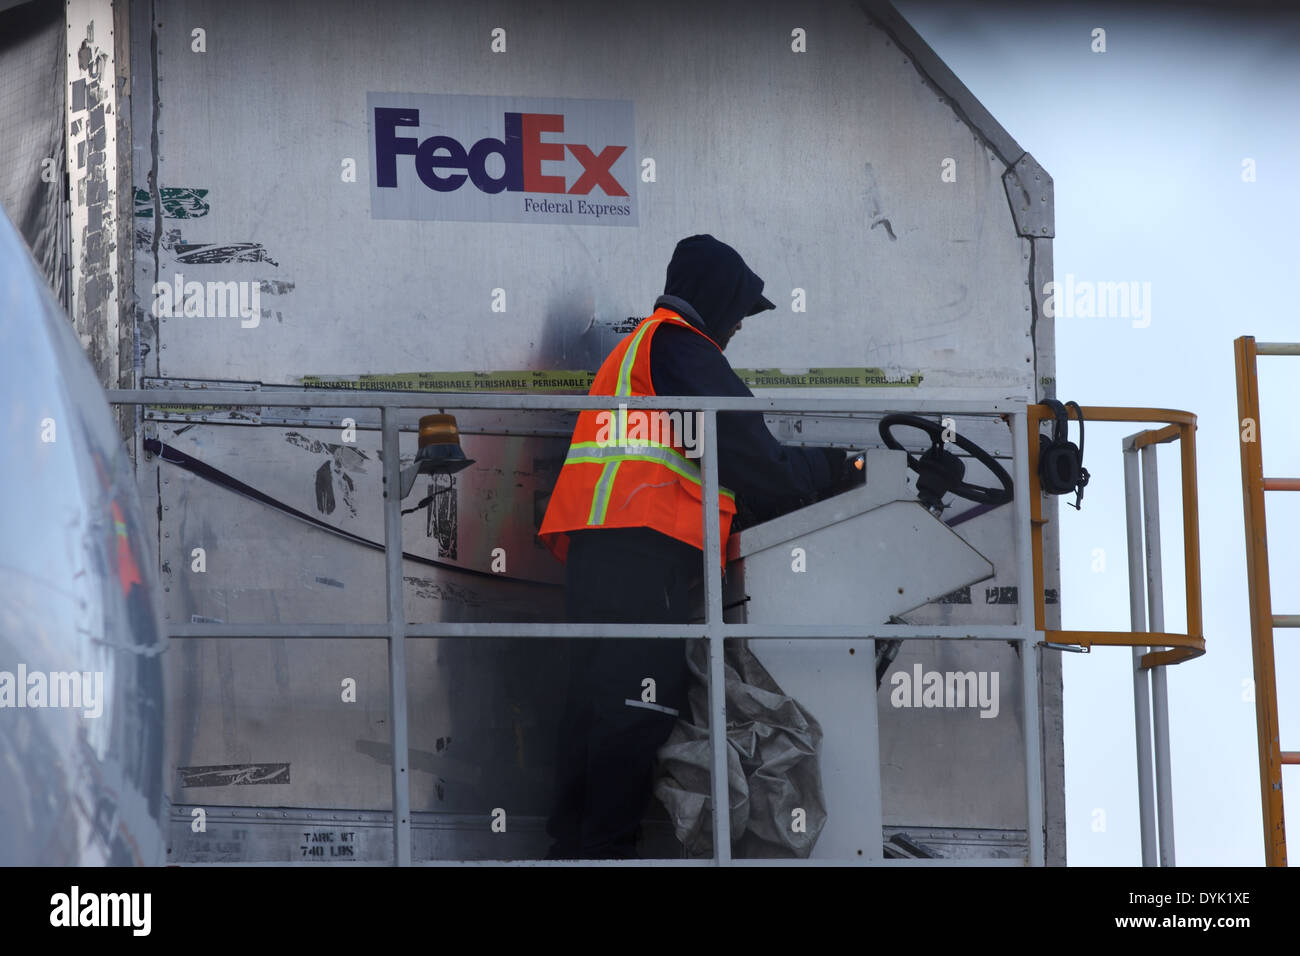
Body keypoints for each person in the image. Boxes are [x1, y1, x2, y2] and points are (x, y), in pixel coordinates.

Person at [537, 234, 847, 858]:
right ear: (716, 301)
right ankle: (604, 852)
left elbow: (714, 458)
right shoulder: (681, 348)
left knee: (597, 705)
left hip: (605, 554)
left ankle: (572, 848)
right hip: (639, 554)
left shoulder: (643, 350)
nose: (736, 329)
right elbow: (755, 459)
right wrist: (847, 468)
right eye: (738, 313)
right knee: (637, 706)